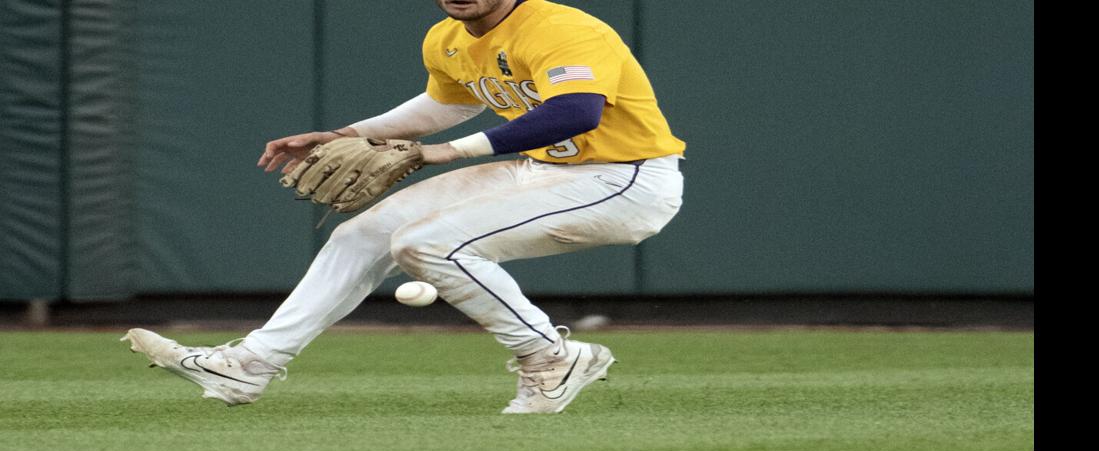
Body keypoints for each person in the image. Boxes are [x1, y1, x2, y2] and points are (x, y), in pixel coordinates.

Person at [123, 0, 685, 414]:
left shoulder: (563, 29)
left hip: (624, 178)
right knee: (361, 235)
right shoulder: (447, 37)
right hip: (543, 170)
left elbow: (575, 114)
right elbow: (443, 105)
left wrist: (446, 154)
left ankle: (550, 358)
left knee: (427, 244)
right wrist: (344, 134)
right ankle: (249, 366)